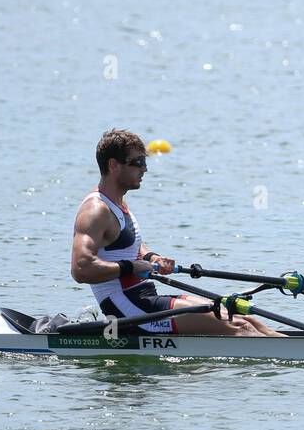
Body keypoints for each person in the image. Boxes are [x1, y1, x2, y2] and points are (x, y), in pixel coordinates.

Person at [71, 129, 281, 337]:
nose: (144, 169)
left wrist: (152, 257)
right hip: (126, 309)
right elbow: (81, 269)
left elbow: (129, 245)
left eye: (145, 162)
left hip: (145, 299)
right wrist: (131, 267)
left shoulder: (118, 202)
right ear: (113, 165)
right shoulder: (95, 210)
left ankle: (303, 354)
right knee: (240, 328)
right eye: (138, 162)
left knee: (244, 319)